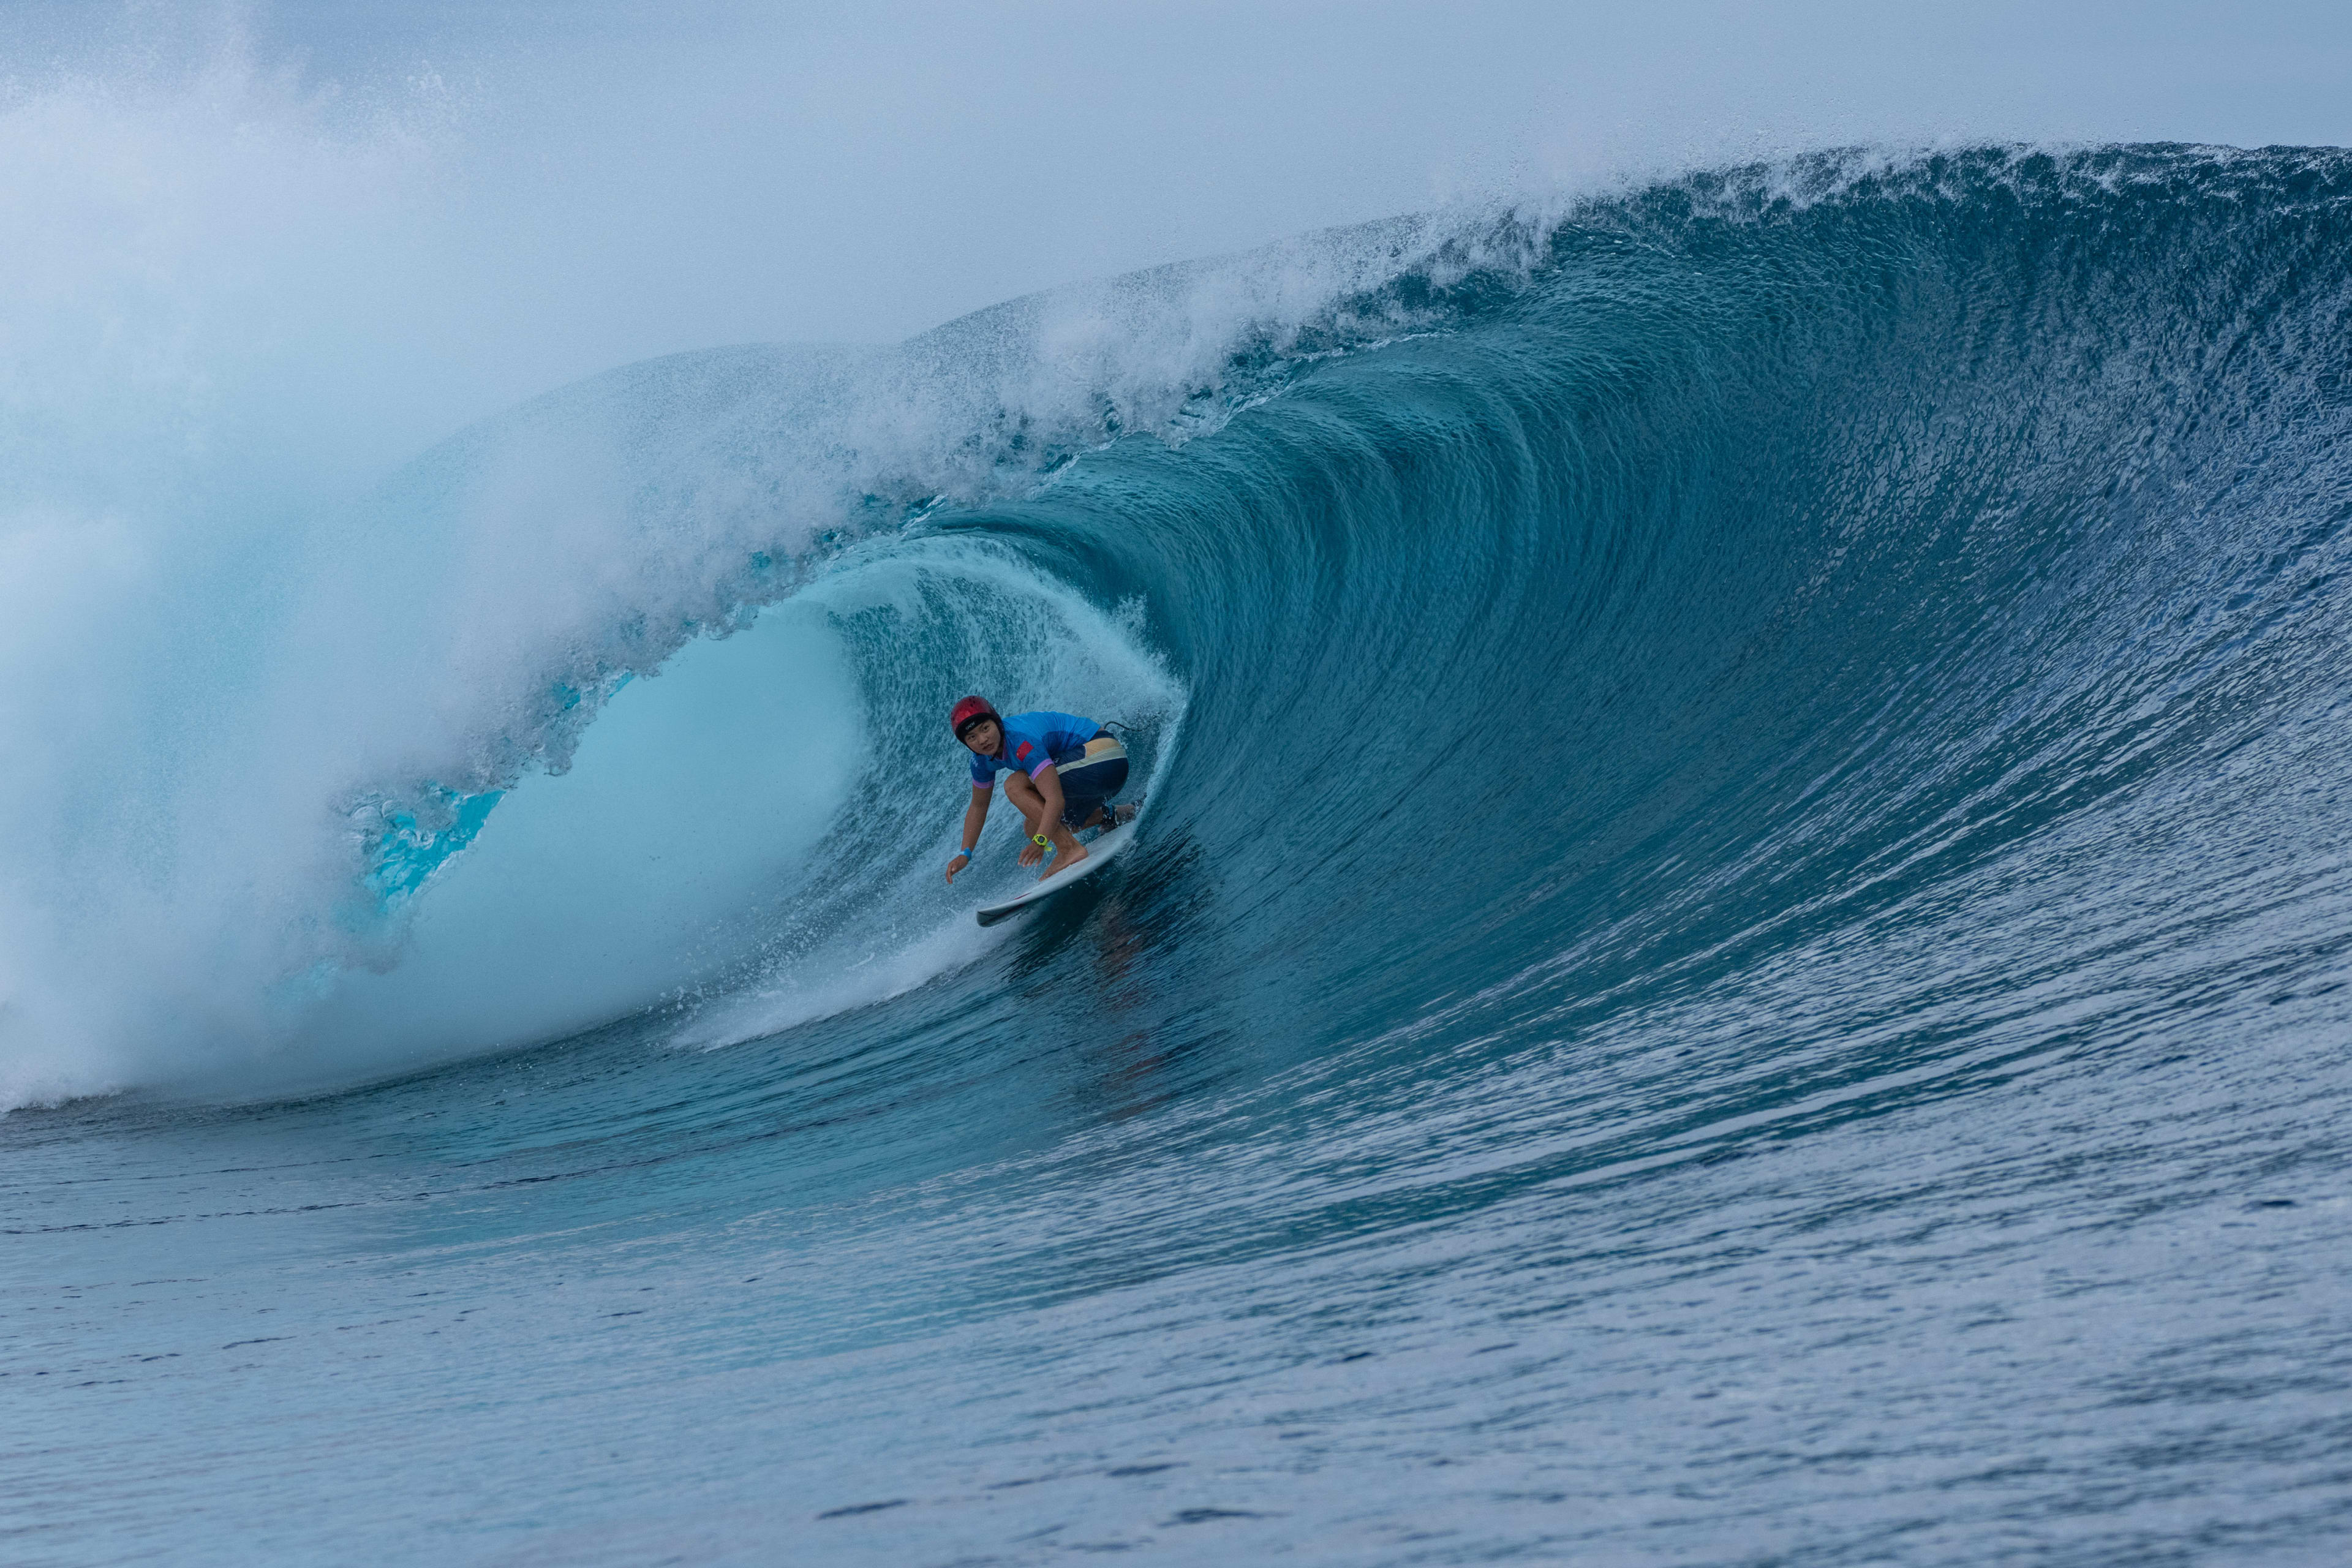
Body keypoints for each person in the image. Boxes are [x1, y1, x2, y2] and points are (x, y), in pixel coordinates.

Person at [943, 696, 1137, 884]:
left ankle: (1069, 850)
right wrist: (965, 854)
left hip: (1104, 757)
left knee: (1014, 785)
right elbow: (979, 805)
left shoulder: (1021, 741)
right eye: (972, 737)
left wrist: (1040, 842)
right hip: (1099, 775)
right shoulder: (981, 761)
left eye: (985, 728)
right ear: (966, 743)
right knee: (1034, 826)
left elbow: (1055, 800)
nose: (983, 739)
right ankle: (1116, 814)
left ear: (997, 722)